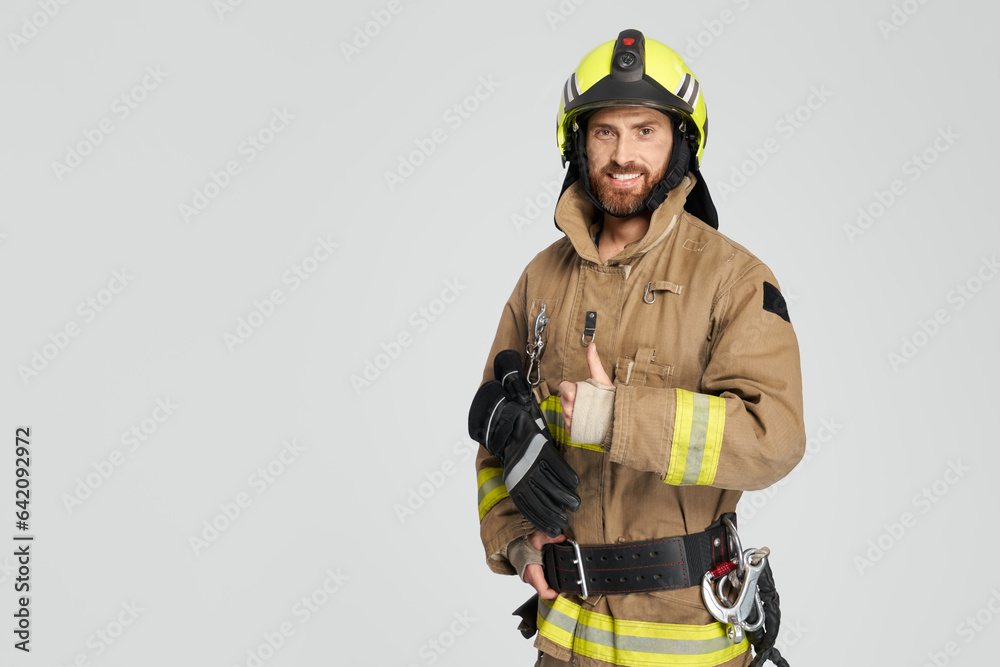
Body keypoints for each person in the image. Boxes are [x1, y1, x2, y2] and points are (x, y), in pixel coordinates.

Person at [469, 29, 806, 667]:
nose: (624, 153)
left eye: (646, 130)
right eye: (605, 132)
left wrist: (614, 418)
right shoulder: (541, 279)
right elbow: (499, 439)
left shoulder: (733, 280)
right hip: (563, 642)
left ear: (681, 144)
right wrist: (517, 540)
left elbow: (775, 435)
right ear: (578, 144)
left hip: (690, 643)